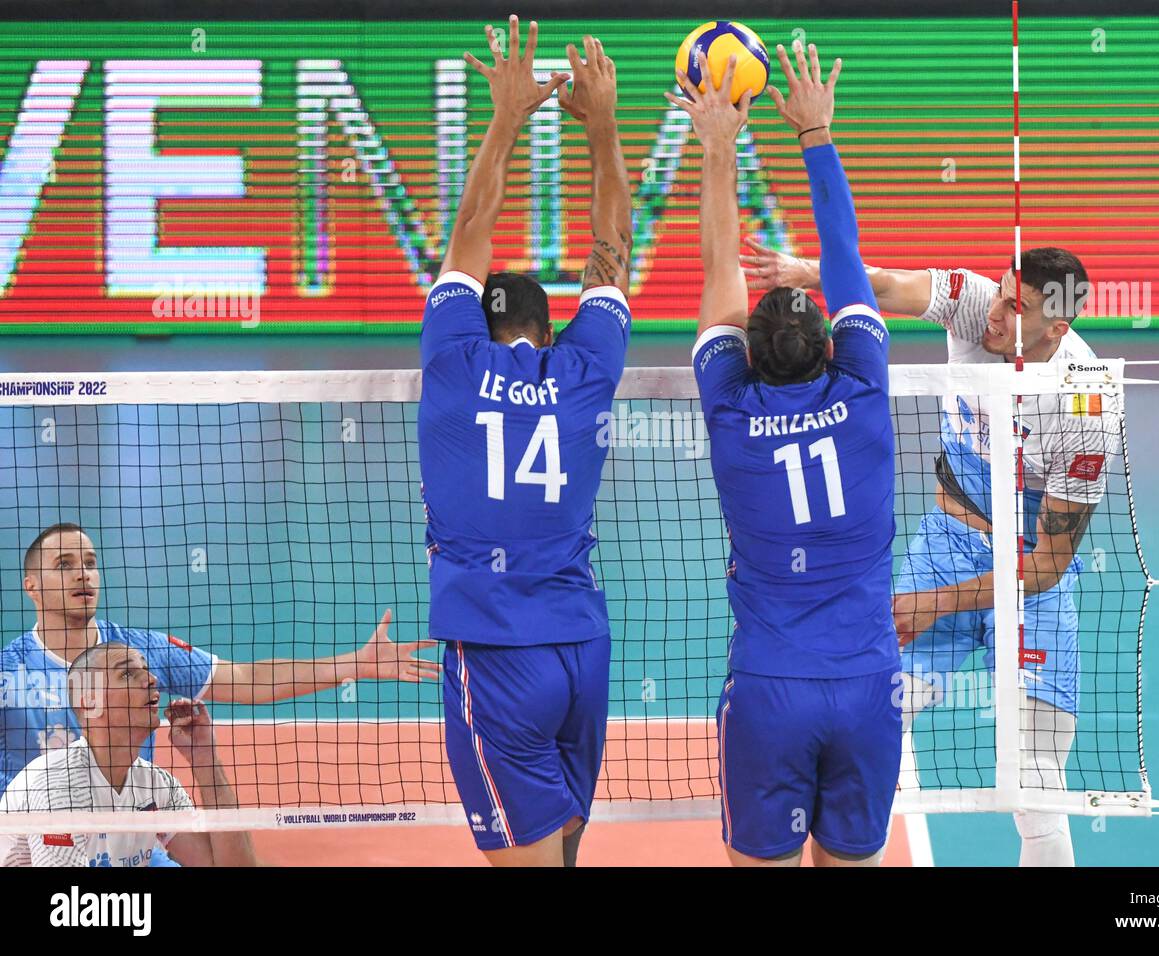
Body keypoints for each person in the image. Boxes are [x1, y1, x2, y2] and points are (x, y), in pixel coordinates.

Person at [743, 226, 1119, 869]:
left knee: (1035, 780)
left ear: (1057, 328)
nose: (996, 315)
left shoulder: (1087, 403)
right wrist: (808, 271)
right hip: (947, 545)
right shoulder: (978, 306)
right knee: (873, 729)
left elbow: (1048, 566)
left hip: (1029, 581)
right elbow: (886, 283)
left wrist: (939, 604)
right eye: (1002, 296)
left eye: (1017, 309)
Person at [669, 43, 900, 867]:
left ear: (749, 353)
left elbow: (716, 267)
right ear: (834, 346)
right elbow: (845, 258)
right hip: (870, 687)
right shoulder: (865, 385)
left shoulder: (731, 409)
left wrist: (718, 146)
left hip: (770, 692)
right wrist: (816, 134)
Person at [419, 18, 632, 866]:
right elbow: (611, 255)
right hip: (580, 646)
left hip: (495, 654)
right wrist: (604, 126)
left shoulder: (450, 363)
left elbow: (474, 221)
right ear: (550, 329)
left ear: (469, 314)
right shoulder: (584, 368)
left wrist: (506, 115)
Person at [3, 522, 438, 795]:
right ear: (31, 585)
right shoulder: (8, 670)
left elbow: (246, 678)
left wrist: (354, 665)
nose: (83, 573)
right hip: (34, 830)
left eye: (91, 562)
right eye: (64, 564)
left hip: (127, 824)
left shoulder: (139, 653)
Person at [0, 643, 256, 866]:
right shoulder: (56, 787)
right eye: (127, 674)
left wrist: (205, 759)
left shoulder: (157, 785)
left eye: (145, 670)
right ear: (90, 702)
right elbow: (68, 907)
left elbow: (231, 866)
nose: (151, 679)